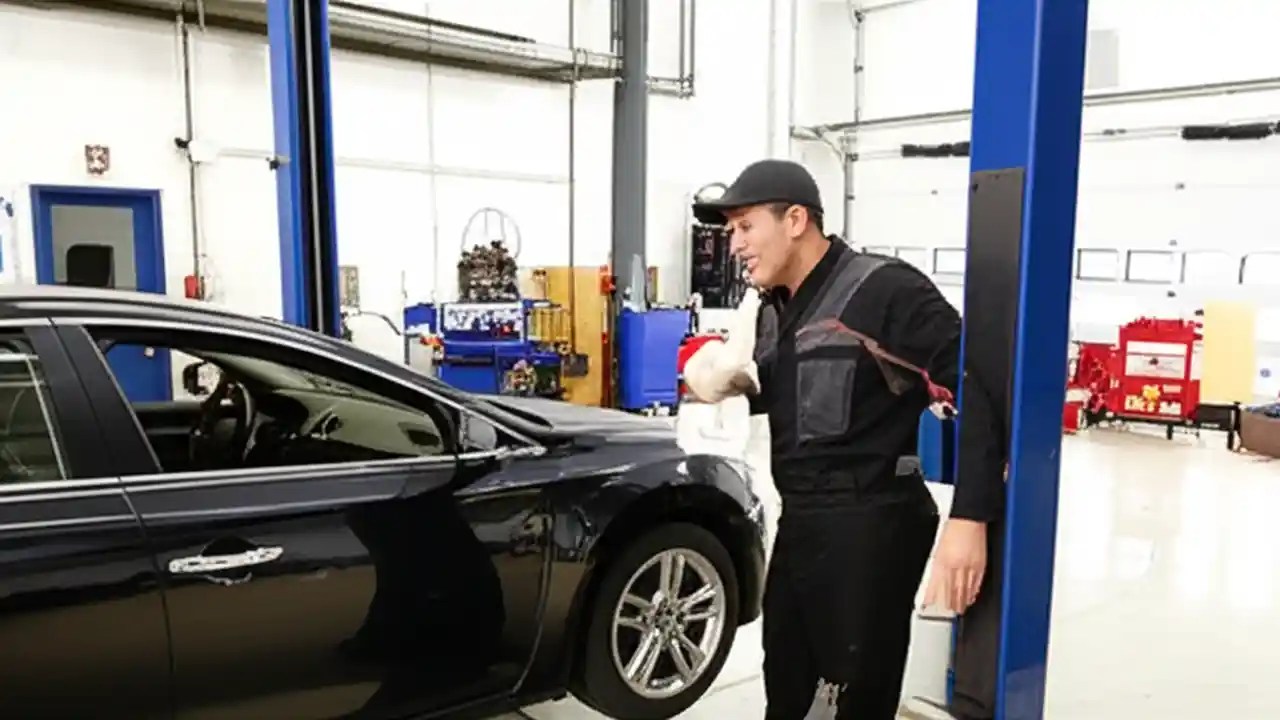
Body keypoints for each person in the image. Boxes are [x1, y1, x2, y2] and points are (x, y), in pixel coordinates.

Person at [684, 159, 1006, 719]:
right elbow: (795, 399)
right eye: (729, 230)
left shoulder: (883, 290)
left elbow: (975, 390)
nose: (734, 244)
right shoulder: (772, 309)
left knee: (855, 694)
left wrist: (970, 517)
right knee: (787, 683)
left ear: (796, 220)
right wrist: (720, 380)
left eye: (745, 225)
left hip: (872, 525)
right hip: (802, 521)